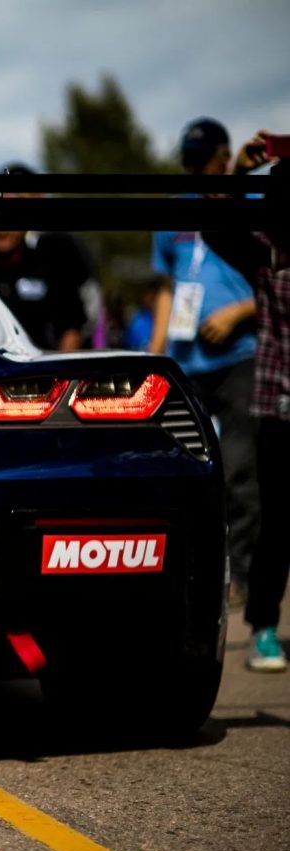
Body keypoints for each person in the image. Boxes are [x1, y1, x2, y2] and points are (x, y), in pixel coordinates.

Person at [148, 118, 260, 608]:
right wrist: (152, 359)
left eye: (205, 162)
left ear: (224, 158)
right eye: (190, 164)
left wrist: (239, 313)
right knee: (177, 471)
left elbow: (278, 277)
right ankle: (186, 576)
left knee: (240, 470)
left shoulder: (249, 207)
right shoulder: (172, 214)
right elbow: (167, 289)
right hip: (185, 359)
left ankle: (248, 579)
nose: (197, 171)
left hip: (240, 355)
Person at [199, 132, 287, 671]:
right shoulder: (266, 251)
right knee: (278, 521)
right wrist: (238, 177)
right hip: (279, 401)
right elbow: (216, 226)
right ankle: (266, 627)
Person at [0, 163, 97, 352]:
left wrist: (60, 374)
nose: (2, 229)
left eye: (13, 213)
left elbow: (73, 324)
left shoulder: (56, 258)